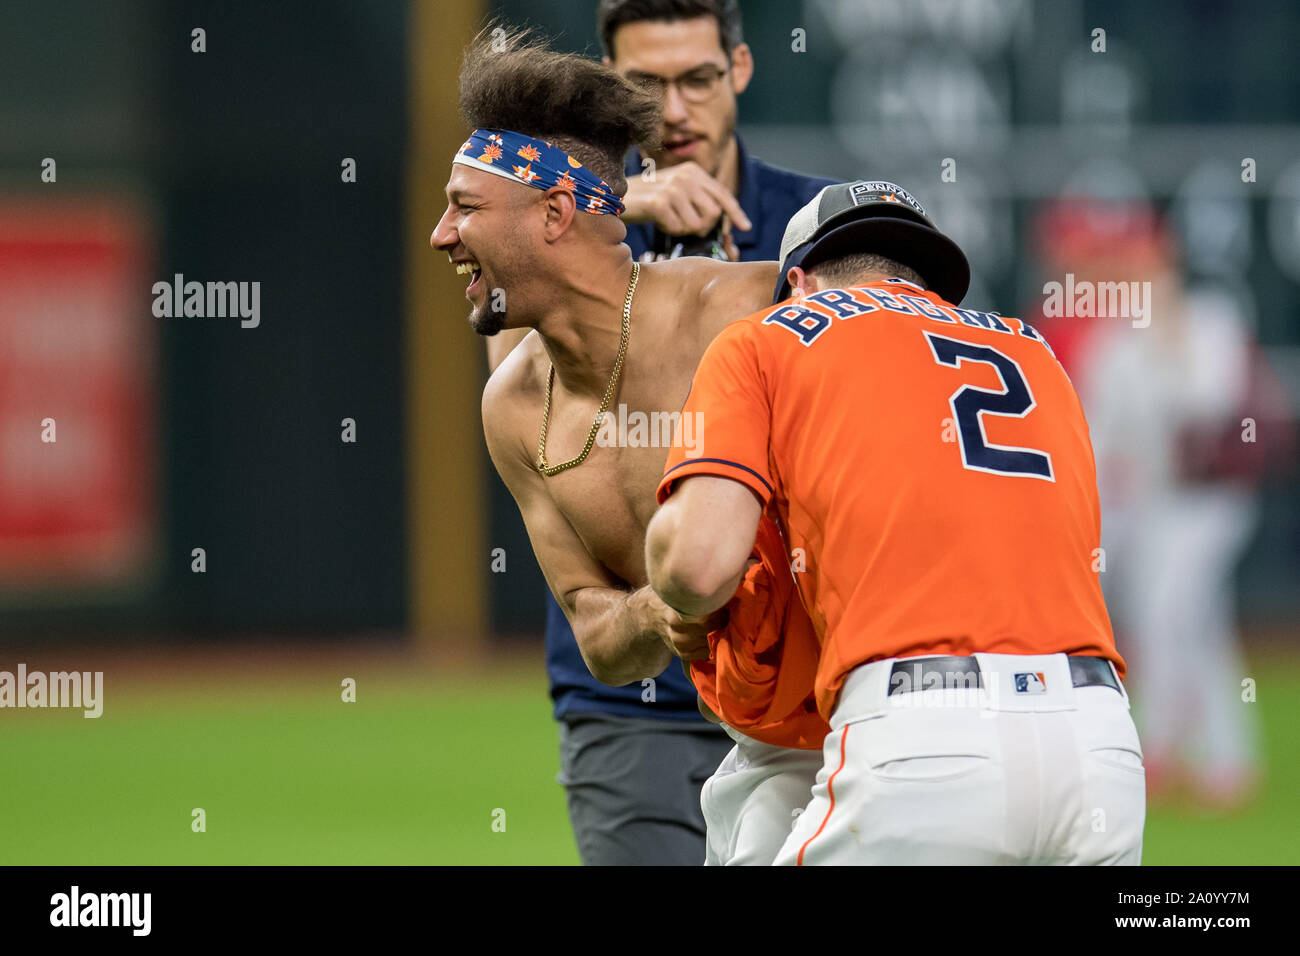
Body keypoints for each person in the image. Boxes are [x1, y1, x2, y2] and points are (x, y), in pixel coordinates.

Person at [646, 180, 1147, 864]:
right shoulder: (1037, 354)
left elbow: (697, 566)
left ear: (798, 280)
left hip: (924, 741)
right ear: (929, 283)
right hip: (1100, 746)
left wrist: (675, 591)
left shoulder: (765, 339)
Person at [435, 26, 822, 865]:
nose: (440, 234)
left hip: (828, 721)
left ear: (554, 213)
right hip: (637, 723)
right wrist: (666, 605)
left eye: (463, 207)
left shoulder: (754, 306)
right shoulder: (513, 406)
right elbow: (598, 632)